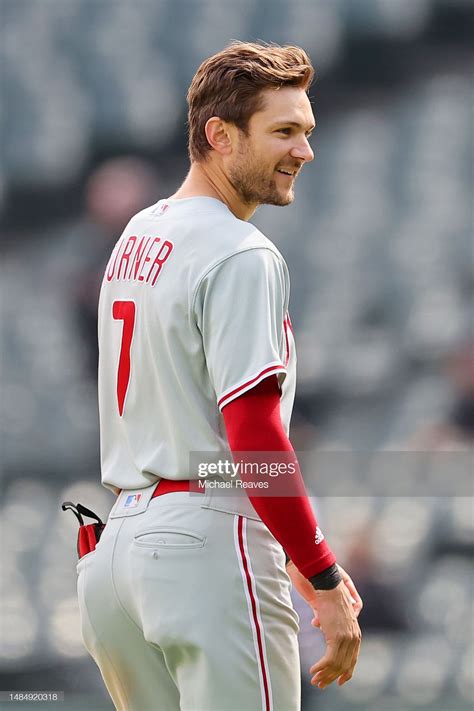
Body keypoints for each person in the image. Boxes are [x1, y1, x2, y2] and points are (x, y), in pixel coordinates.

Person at [77, 41, 362, 711]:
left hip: (114, 552)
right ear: (219, 135)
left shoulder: (137, 235)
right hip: (205, 545)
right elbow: (255, 438)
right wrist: (319, 572)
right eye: (284, 131)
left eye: (308, 131)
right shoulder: (241, 252)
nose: (305, 151)